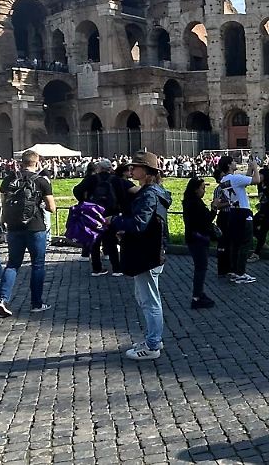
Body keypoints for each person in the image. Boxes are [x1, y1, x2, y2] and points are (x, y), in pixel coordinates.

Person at [113, 152, 171, 360]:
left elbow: (139, 223)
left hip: (147, 253)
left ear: (147, 172)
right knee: (145, 298)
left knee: (149, 301)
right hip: (150, 250)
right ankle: (154, 338)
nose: (131, 170)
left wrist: (116, 221)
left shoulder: (148, 194)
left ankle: (153, 345)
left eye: (135, 167)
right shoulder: (153, 192)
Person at [0, 150, 56, 317]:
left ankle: (2, 299)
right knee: (37, 264)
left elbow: (3, 202)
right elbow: (51, 208)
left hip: (14, 226)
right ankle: (36, 303)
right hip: (35, 226)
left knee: (13, 264)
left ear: (21, 162)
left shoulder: (8, 179)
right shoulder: (42, 181)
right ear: (37, 162)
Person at [213, 155, 261, 284]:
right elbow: (256, 180)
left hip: (234, 212)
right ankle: (241, 272)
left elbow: (244, 181)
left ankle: (234, 271)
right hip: (244, 212)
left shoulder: (224, 181)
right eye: (233, 161)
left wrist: (249, 169)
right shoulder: (235, 178)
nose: (235, 163)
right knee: (245, 243)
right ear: (229, 165)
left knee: (236, 244)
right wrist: (255, 167)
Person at [73, 159, 123, 276]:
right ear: (110, 168)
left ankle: (97, 269)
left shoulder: (91, 179)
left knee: (95, 241)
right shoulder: (116, 180)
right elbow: (122, 195)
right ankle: (116, 269)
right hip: (111, 213)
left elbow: (77, 190)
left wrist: (84, 201)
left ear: (99, 168)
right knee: (111, 241)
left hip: (94, 213)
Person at [182, 176, 220, 310]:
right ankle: (197, 296)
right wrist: (214, 207)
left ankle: (199, 293)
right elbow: (206, 220)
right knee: (201, 268)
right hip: (198, 239)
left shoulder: (190, 202)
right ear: (195, 189)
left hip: (194, 238)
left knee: (201, 267)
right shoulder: (195, 204)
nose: (204, 191)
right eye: (202, 188)